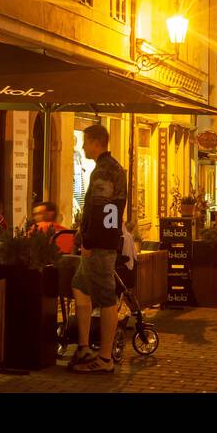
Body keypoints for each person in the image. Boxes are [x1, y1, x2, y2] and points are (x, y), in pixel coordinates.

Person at [70, 124, 126, 374]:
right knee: (80, 286)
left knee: (105, 298)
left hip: (99, 246)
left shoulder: (103, 171)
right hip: (105, 241)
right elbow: (113, 211)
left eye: (85, 142)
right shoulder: (115, 168)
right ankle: (83, 345)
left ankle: (104, 358)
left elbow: (102, 209)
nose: (83, 147)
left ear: (96, 143)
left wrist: (91, 242)